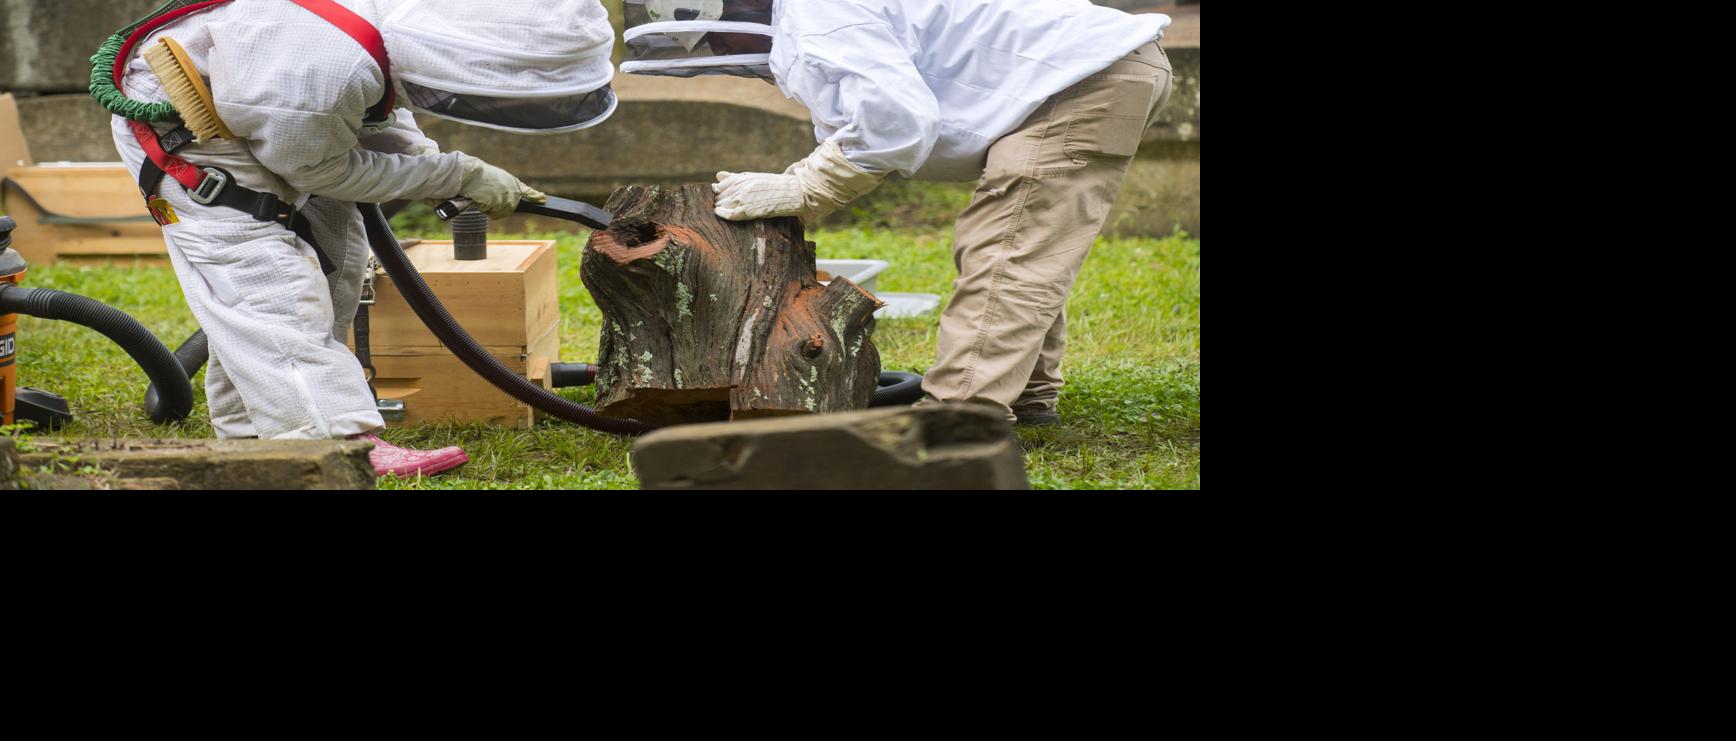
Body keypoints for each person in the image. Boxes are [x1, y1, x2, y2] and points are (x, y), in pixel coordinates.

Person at [108, 0, 617, 475]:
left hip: (275, 112)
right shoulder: (326, 68)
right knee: (265, 281)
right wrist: (454, 175)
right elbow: (315, 167)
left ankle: (254, 431)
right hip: (192, 137)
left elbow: (377, 113)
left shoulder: (374, 40)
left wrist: (433, 164)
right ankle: (333, 443)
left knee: (339, 263)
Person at [622, 0, 1173, 425]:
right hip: (1088, 72)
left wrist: (807, 187)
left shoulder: (820, 18)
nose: (719, 50)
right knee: (1018, 241)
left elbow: (897, 119)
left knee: (1008, 249)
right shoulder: (813, 18)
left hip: (1085, 78)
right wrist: (800, 183)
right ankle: (1030, 394)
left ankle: (960, 416)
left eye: (714, 37)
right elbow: (871, 121)